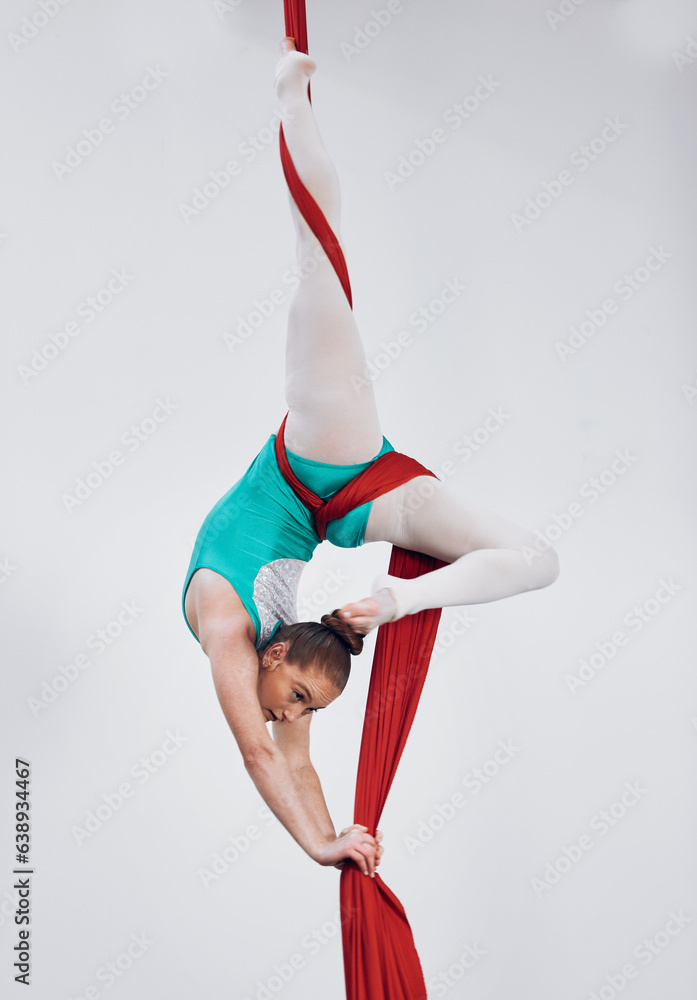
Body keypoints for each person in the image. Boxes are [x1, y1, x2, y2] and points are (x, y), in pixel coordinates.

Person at [181, 38, 559, 879]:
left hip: (315, 461)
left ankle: (290, 98)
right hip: (355, 509)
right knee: (541, 561)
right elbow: (298, 761)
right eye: (306, 705)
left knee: (321, 267)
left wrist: (323, 844)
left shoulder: (228, 633)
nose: (292, 715)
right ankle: (399, 599)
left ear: (272, 662)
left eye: (300, 704)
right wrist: (332, 838)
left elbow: (266, 759)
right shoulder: (289, 657)